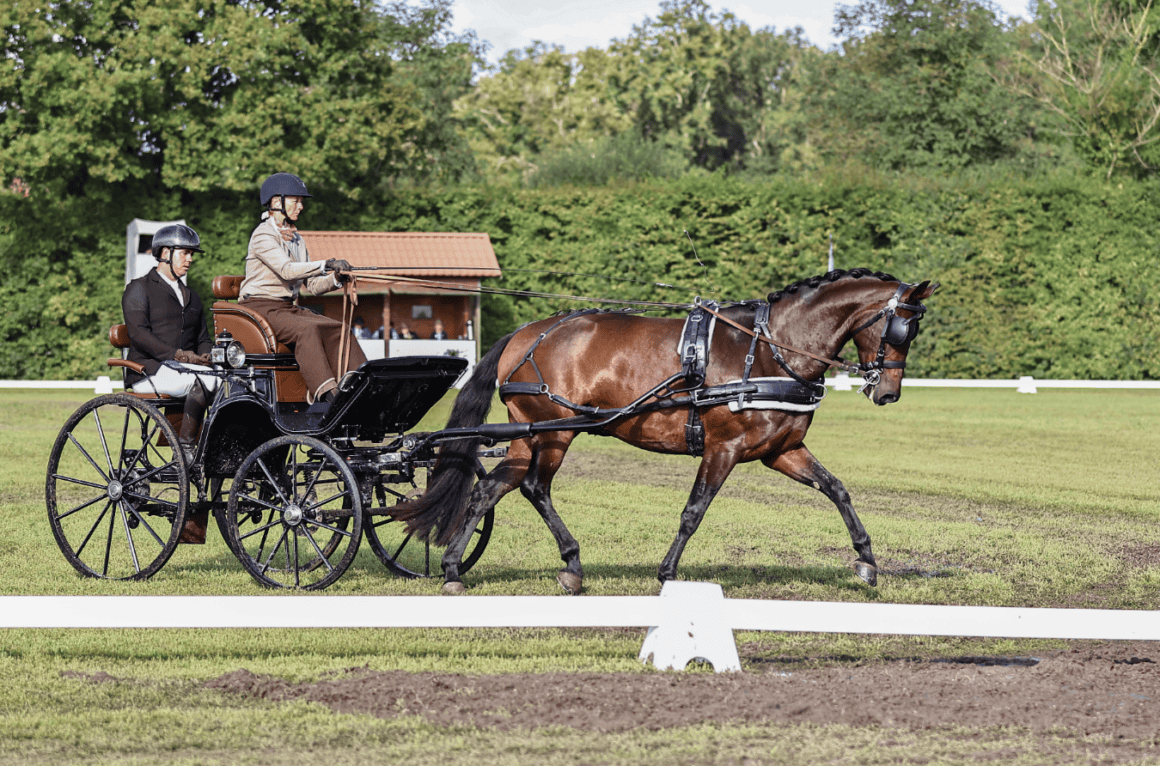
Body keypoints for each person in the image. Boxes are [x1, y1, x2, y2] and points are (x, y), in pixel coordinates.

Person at [239, 172, 367, 405]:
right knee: (306, 330)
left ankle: (360, 389)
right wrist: (325, 264)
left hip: (288, 309)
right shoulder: (262, 235)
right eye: (296, 200)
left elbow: (314, 286)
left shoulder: (297, 240)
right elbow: (288, 270)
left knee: (339, 328)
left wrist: (337, 277)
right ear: (277, 202)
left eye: (301, 201)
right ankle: (328, 396)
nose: (301, 206)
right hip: (260, 308)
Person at [121, 223, 219, 461]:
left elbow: (203, 339)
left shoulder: (192, 296)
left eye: (191, 254)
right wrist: (181, 356)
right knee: (203, 380)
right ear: (165, 253)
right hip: (148, 371)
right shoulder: (138, 288)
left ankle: (216, 450)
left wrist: (206, 355)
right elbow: (140, 336)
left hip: (184, 370)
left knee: (228, 383)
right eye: (185, 253)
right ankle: (185, 451)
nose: (190, 259)